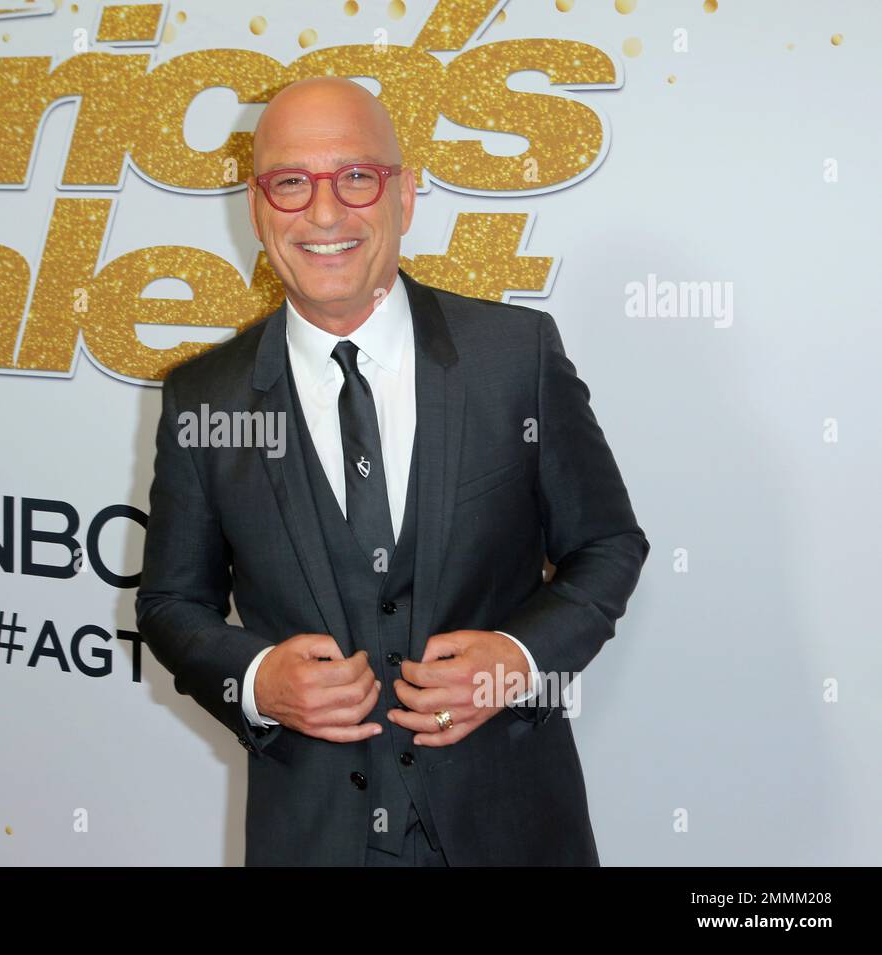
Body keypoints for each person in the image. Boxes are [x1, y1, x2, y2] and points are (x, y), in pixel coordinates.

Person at [135, 77, 649, 866]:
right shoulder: (204, 395)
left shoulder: (514, 357)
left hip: (511, 827)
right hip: (311, 836)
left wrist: (517, 657)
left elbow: (608, 547)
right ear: (257, 205)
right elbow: (172, 602)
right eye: (291, 183)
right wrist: (258, 677)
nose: (325, 213)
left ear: (405, 196)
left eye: (356, 177)